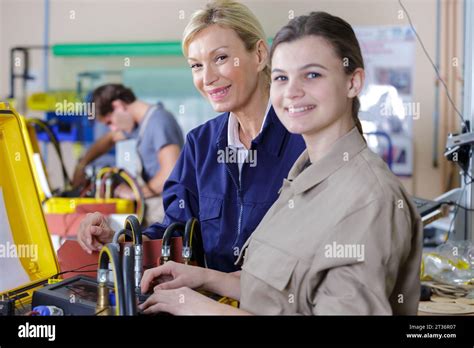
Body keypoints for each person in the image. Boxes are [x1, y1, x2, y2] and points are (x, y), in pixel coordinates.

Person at [138, 11, 423, 315]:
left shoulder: (368, 199)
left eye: (312, 75)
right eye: (282, 78)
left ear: (353, 82)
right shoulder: (303, 177)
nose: (292, 92)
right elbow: (283, 292)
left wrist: (203, 309)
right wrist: (208, 278)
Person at [76, 0, 305, 272]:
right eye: (196, 66)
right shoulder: (201, 145)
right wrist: (118, 239)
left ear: (258, 55)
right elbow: (176, 233)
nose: (206, 77)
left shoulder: (304, 139)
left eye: (220, 58)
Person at [72, 84, 184, 224]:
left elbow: (171, 174)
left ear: (118, 106)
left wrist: (134, 193)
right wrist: (82, 164)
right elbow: (110, 138)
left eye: (110, 122)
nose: (113, 128)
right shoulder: (141, 125)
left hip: (168, 213)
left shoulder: (158, 122)